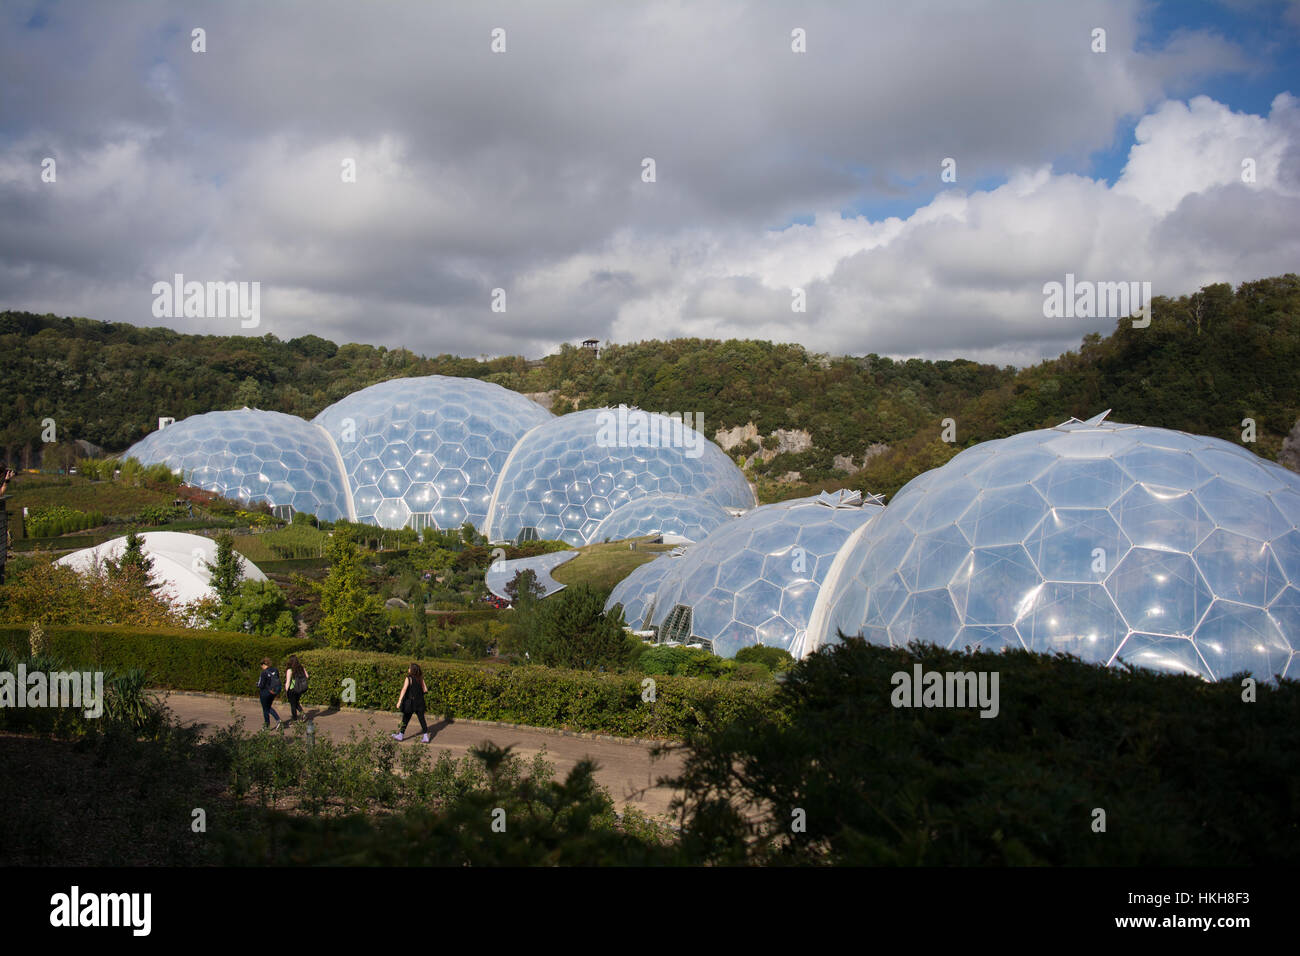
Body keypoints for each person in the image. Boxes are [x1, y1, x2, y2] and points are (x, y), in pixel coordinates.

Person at [391, 663, 430, 743]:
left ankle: (400, 735)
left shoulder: (409, 678)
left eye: (409, 668)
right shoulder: (420, 678)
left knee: (405, 719)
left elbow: (404, 689)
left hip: (411, 702)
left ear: (412, 670)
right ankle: (426, 736)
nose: (408, 669)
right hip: (420, 702)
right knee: (421, 719)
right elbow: (425, 689)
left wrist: (399, 701)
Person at [257, 657, 282, 730]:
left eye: (261, 665)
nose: (261, 667)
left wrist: (257, 685)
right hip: (274, 692)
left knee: (265, 709)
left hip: (265, 693)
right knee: (268, 707)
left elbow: (261, 685)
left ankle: (268, 724)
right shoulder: (275, 670)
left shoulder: (264, 673)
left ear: (264, 664)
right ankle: (276, 721)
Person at [284, 654, 309, 723]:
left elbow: (288, 682)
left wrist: (286, 690)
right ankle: (303, 714)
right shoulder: (301, 667)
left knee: (293, 704)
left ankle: (294, 719)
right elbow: (307, 676)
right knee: (296, 702)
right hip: (300, 689)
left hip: (292, 689)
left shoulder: (290, 670)